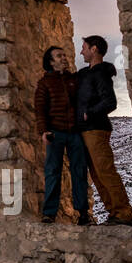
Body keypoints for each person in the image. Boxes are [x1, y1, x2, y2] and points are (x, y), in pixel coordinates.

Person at [77, 35, 132, 226]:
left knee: (105, 171)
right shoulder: (85, 73)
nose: (81, 51)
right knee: (96, 174)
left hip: (96, 129)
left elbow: (110, 102)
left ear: (94, 49)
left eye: (84, 47)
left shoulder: (100, 73)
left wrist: (89, 113)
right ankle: (114, 213)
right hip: (86, 130)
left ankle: (124, 214)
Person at [35, 45, 89, 225]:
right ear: (51, 62)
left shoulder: (73, 80)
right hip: (55, 133)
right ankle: (49, 213)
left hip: (75, 133)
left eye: (64, 55)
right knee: (53, 172)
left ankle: (83, 213)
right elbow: (40, 110)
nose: (64, 58)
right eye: (59, 56)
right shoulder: (44, 83)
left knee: (79, 171)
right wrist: (43, 131)